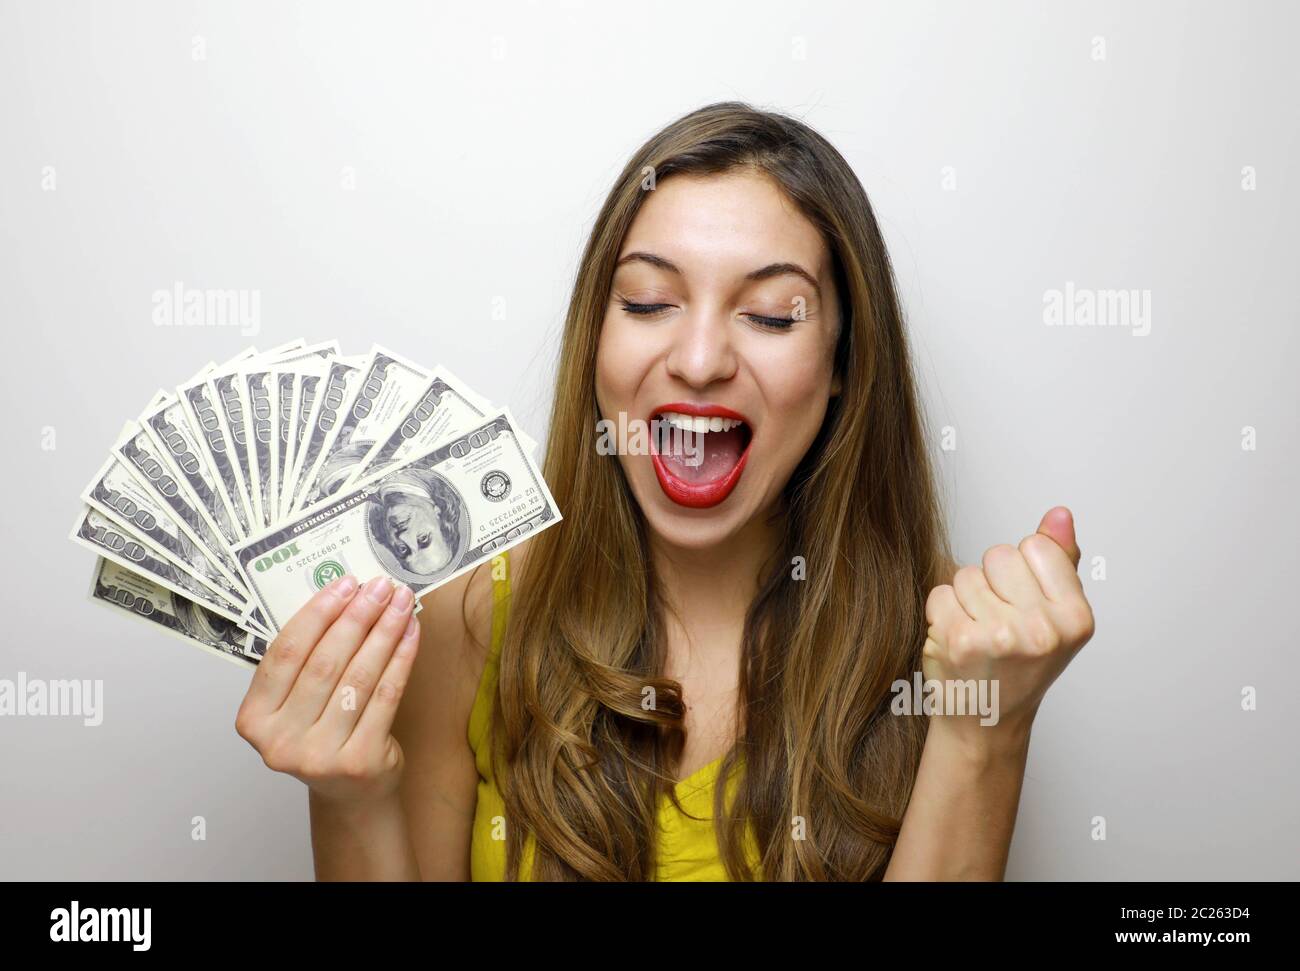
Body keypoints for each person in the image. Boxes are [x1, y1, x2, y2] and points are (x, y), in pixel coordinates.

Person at [234, 102, 1096, 881]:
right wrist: (347, 798)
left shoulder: (955, 650)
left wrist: (986, 735)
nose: (698, 358)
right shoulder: (471, 616)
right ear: (597, 338)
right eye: (648, 301)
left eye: (769, 314)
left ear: (843, 363)